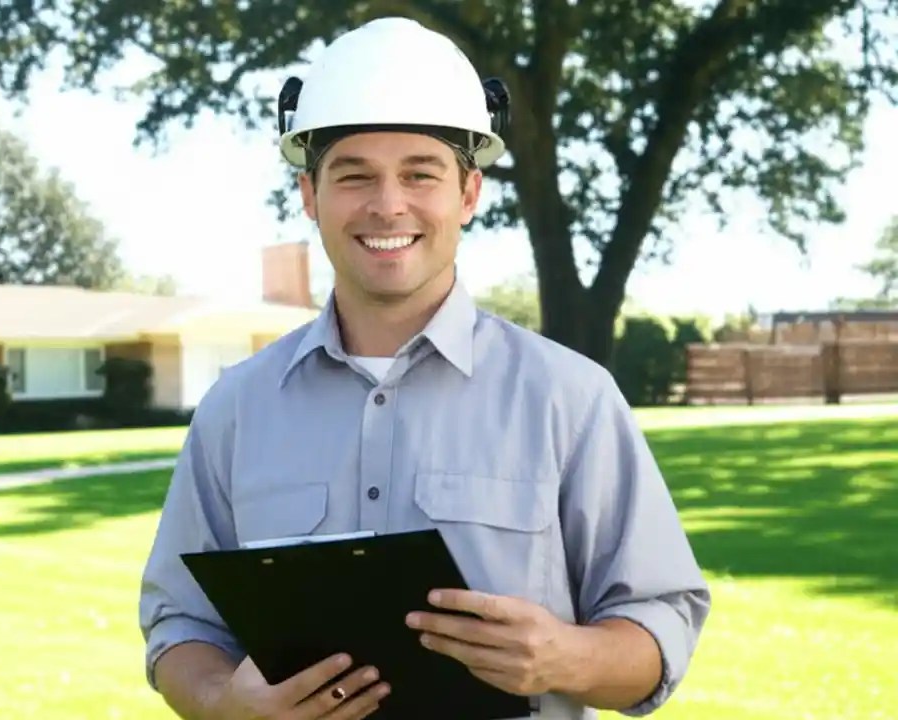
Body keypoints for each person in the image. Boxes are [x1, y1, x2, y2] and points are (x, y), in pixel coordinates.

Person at [138, 16, 710, 720]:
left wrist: (565, 656)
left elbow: (660, 624)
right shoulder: (237, 409)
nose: (388, 204)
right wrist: (223, 704)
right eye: (354, 176)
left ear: (469, 194)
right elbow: (180, 628)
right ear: (308, 196)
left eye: (420, 174)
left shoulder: (571, 399)